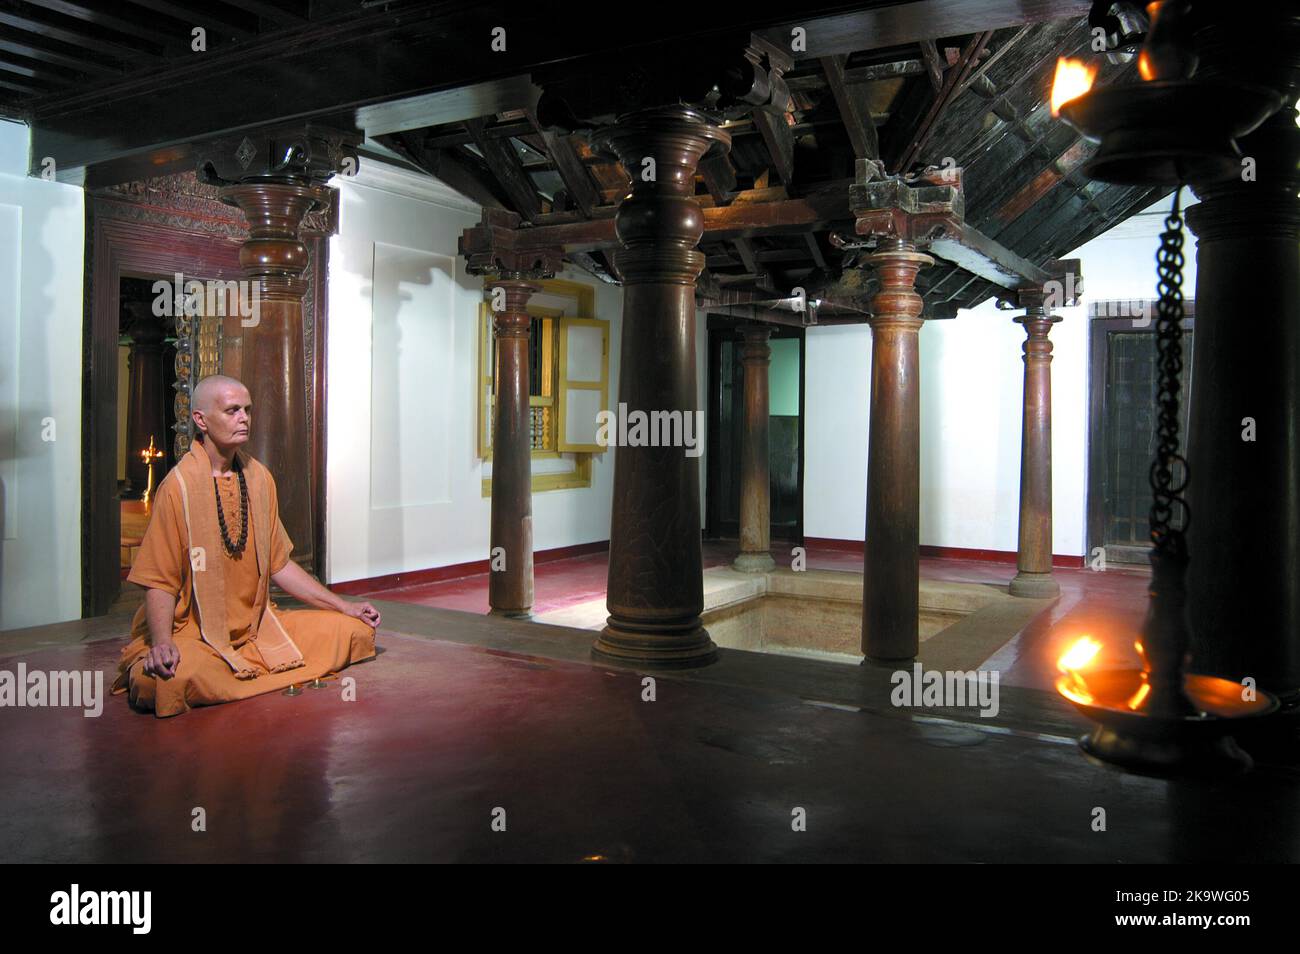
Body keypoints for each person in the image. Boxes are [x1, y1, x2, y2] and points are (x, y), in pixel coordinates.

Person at [113, 374, 378, 717]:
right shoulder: (176, 488)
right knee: (166, 682)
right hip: (195, 635)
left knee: (356, 632)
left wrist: (343, 606)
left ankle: (241, 676)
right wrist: (163, 643)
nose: (244, 418)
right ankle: (254, 672)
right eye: (232, 410)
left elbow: (279, 564)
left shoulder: (259, 478)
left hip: (257, 628)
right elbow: (159, 581)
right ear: (201, 420)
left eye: (248, 410)